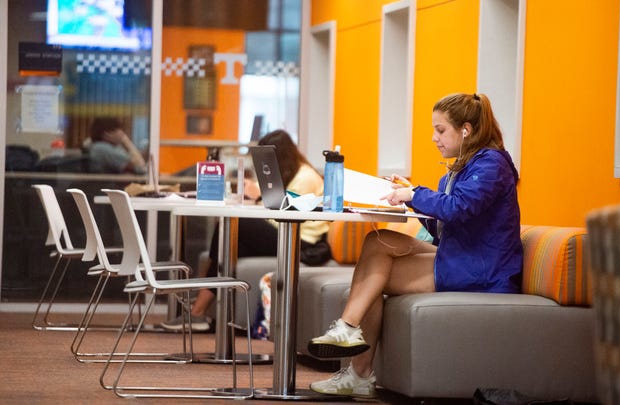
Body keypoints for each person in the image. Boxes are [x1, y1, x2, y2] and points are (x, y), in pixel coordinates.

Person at [307, 93, 523, 398]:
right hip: (465, 255)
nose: (434, 138)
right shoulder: (464, 166)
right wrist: (407, 198)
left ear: (466, 130)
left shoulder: (492, 164)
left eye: (440, 130)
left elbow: (458, 208)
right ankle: (350, 339)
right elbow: (442, 225)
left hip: (485, 270)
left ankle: (353, 350)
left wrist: (413, 194)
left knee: (374, 280)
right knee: (378, 240)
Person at [161, 129, 332, 332]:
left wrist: (258, 195)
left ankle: (198, 309)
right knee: (233, 246)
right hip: (283, 230)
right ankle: (200, 311)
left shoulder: (305, 177)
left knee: (234, 223)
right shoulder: (290, 173)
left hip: (302, 240)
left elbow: (286, 210)